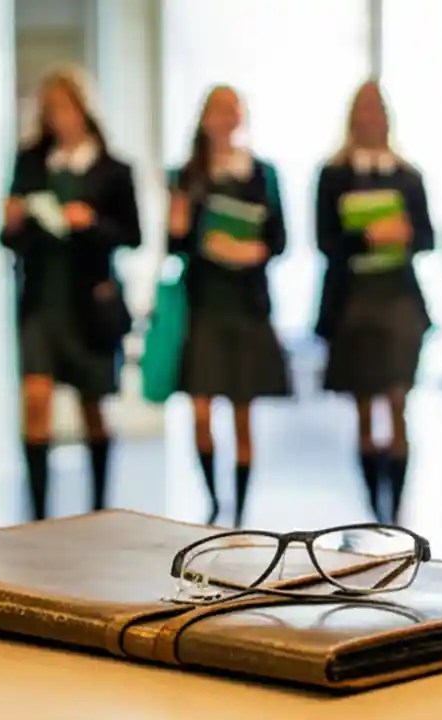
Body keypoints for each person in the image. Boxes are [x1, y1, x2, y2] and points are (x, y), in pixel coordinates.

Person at [0, 66, 141, 520]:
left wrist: (92, 222)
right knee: (36, 397)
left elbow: (132, 234)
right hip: (42, 298)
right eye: (50, 110)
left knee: (92, 405)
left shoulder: (114, 170)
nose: (58, 117)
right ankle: (38, 512)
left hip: (89, 302)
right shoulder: (30, 163)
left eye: (65, 107)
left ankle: (98, 508)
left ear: (83, 109)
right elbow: (7, 238)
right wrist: (14, 223)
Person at [168, 85, 290, 528]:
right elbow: (174, 244)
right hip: (205, 302)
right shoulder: (187, 175)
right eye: (217, 110)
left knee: (242, 410)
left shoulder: (263, 174)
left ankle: (239, 510)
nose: (225, 118)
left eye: (232, 109)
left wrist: (247, 250)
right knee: (200, 410)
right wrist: (182, 224)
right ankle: (212, 501)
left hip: (248, 303)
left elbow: (279, 240)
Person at [315, 80, 434, 525]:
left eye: (376, 109)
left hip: (399, 302)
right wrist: (364, 235)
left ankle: (397, 511)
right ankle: (373, 510)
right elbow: (324, 240)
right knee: (365, 408)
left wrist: (402, 234)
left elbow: (427, 236)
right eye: (361, 109)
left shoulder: (407, 176)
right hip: (353, 306)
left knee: (398, 401)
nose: (370, 117)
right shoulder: (333, 175)